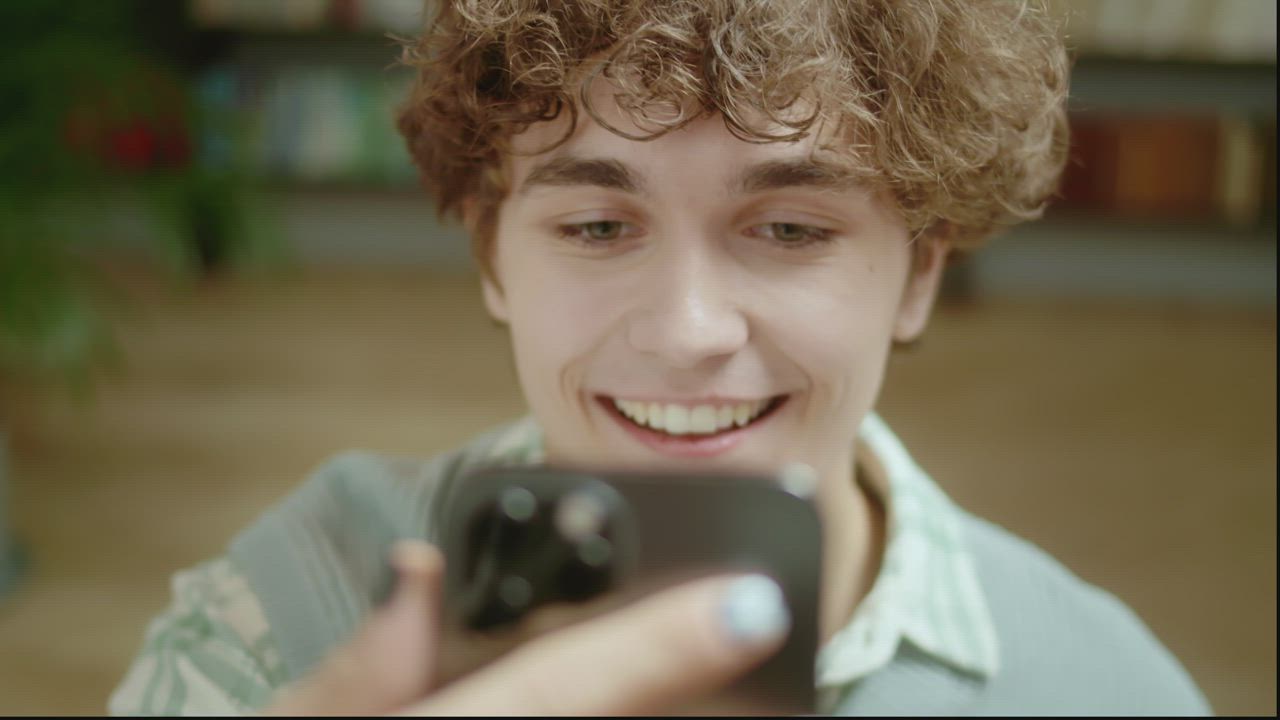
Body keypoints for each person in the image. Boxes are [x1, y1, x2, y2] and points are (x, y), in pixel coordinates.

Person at [109, 0, 1212, 715]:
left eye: (789, 230)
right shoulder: (277, 626)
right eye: (596, 228)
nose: (686, 331)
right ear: (492, 254)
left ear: (918, 273)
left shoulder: (1101, 687)